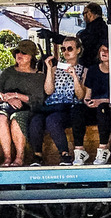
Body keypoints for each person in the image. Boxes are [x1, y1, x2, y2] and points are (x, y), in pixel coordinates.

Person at [29, 36, 88, 166]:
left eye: (70, 48)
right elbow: (49, 91)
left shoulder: (84, 70)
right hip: (52, 105)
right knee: (36, 120)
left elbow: (80, 96)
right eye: (63, 49)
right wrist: (49, 69)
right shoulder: (56, 69)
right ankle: (37, 155)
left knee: (53, 120)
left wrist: (74, 77)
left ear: (78, 50)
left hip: (69, 106)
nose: (66, 52)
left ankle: (64, 154)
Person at [0, 39, 45, 167]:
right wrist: (7, 98)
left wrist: (18, 96)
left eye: (24, 53)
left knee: (16, 120)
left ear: (32, 57)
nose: (19, 55)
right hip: (6, 106)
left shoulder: (38, 76)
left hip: (27, 109)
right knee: (0, 118)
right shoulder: (8, 72)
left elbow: (38, 99)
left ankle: (19, 157)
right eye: (17, 52)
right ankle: (7, 157)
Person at [77, 3, 108, 70]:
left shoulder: (93, 29)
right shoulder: (104, 27)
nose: (83, 17)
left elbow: (85, 44)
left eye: (84, 13)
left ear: (90, 13)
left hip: (90, 65)